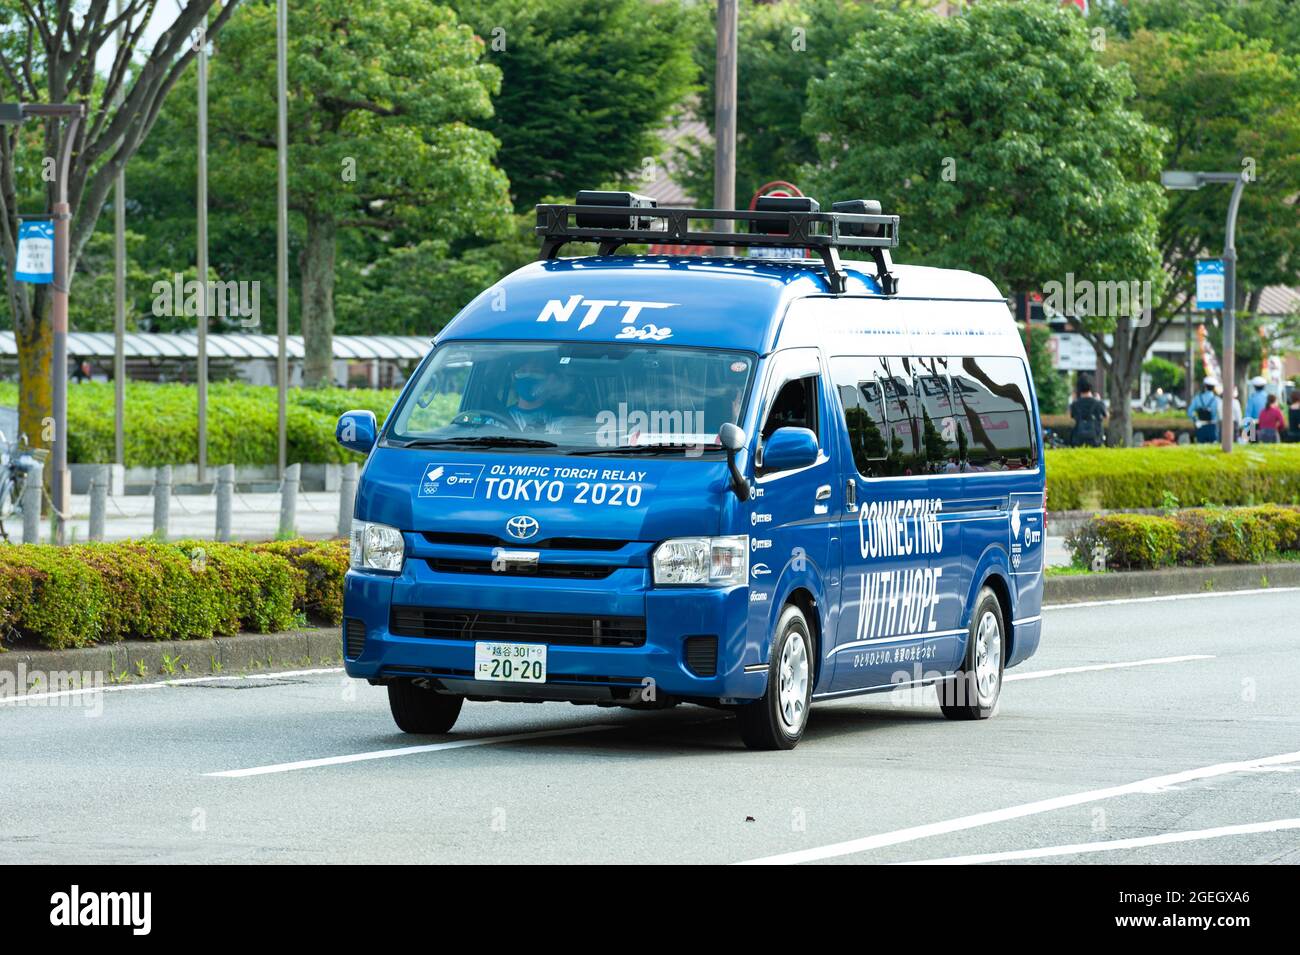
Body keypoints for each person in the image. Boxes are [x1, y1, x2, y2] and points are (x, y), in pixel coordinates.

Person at [506, 355, 565, 432]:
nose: (528, 376)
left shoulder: (561, 418)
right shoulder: (499, 418)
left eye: (536, 372)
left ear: (549, 379)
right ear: (513, 378)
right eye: (522, 371)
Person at [1069, 377, 1106, 447]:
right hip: (1096, 439)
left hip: (1079, 439)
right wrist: (1099, 401)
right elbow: (1105, 415)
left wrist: (1074, 401)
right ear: (1091, 387)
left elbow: (1072, 416)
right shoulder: (1098, 403)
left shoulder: (1075, 404)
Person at [1187, 377, 1220, 444]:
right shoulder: (1217, 400)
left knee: (1200, 448)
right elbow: (1220, 414)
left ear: (1205, 386)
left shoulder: (1197, 398)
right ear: (1214, 388)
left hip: (1200, 426)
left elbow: (1190, 411)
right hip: (1212, 427)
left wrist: (1195, 419)